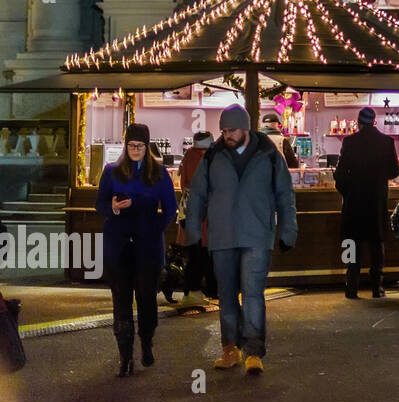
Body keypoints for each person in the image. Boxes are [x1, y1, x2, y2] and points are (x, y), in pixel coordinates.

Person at [185, 104, 297, 375]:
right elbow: (197, 194)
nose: (226, 135)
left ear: (245, 127)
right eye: (223, 130)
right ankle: (230, 349)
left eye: (231, 130)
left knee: (253, 294)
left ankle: (254, 352)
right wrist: (192, 230)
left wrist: (288, 230)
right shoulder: (213, 155)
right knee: (226, 294)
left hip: (257, 234)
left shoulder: (269, 154)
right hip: (222, 235)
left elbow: (285, 194)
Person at [95, 123, 177, 377]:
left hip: (147, 244)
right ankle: (125, 355)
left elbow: (171, 208)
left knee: (146, 298)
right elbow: (100, 204)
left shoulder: (160, 174)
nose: (135, 150)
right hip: (118, 243)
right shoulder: (111, 171)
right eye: (131, 145)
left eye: (140, 146)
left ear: (147, 147)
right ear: (125, 146)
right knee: (120, 299)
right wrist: (114, 207)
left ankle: (146, 342)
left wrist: (155, 227)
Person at [334, 106, 399, 299]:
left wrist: (346, 191)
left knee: (351, 242)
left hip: (354, 202)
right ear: (374, 122)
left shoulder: (349, 142)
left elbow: (340, 173)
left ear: (359, 122)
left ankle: (351, 286)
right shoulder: (387, 142)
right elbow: (394, 171)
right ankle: (377, 287)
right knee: (376, 244)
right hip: (376, 201)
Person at [175, 131, 217, 310]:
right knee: (199, 255)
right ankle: (194, 293)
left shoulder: (188, 156)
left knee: (194, 254)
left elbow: (183, 183)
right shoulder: (207, 158)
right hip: (202, 215)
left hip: (188, 212)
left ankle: (193, 293)